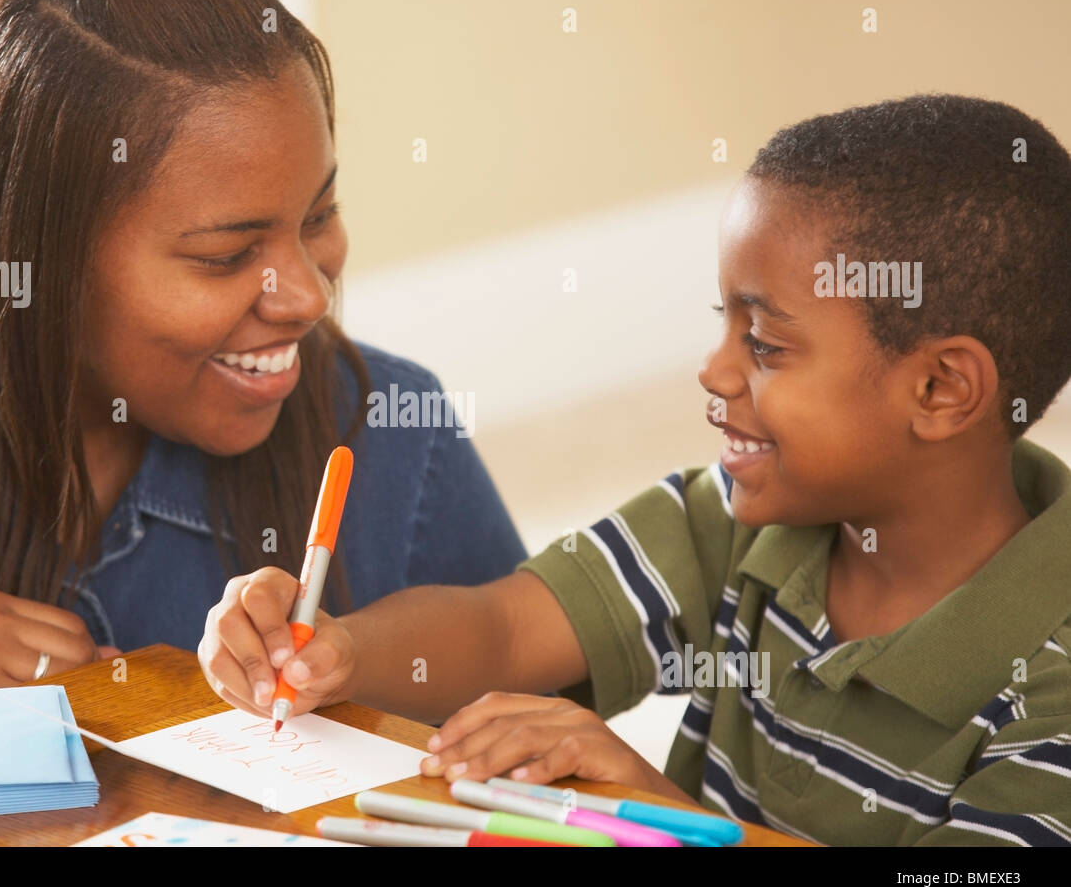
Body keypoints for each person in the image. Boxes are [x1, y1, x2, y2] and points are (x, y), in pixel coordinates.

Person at [202, 94, 1071, 845]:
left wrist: (654, 811)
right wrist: (339, 653)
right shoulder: (731, 522)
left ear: (939, 388)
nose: (713, 371)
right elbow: (503, 628)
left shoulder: (1052, 691)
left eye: (764, 344)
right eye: (723, 325)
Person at [0, 0, 524, 752]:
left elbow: (550, 757)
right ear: (29, 263)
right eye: (225, 256)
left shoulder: (397, 434)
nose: (307, 296)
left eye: (319, 216)